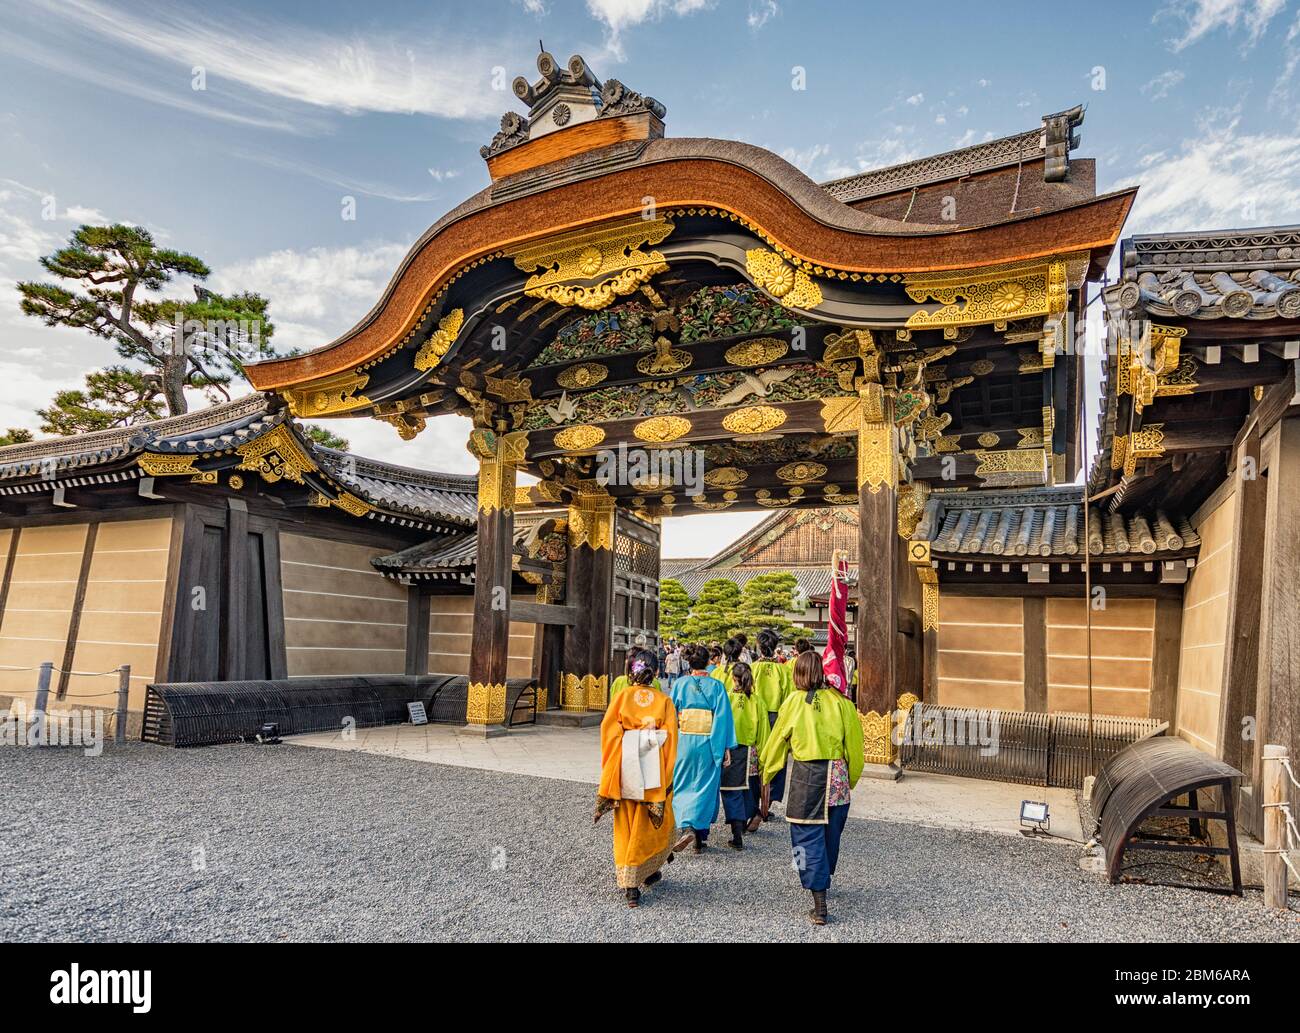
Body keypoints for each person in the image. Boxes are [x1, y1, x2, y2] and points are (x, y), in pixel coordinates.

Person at [759, 650, 865, 926]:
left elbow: (777, 740)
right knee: (832, 833)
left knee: (804, 835)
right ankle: (824, 878)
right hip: (837, 776)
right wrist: (851, 778)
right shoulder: (842, 703)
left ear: (798, 673)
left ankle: (818, 898)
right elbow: (855, 744)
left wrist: (767, 770)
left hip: (807, 775)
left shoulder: (794, 702)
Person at [596, 649, 679, 908]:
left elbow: (608, 733)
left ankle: (631, 882)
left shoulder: (622, 697)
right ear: (655, 672)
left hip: (625, 765)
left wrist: (625, 746)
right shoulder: (664, 701)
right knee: (650, 821)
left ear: (631, 671)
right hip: (652, 766)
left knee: (627, 823)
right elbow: (672, 740)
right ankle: (645, 871)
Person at [670, 643, 736, 854]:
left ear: (690, 663)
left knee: (682, 783)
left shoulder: (680, 684)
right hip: (709, 742)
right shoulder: (716, 686)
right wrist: (724, 747)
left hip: (685, 741)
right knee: (705, 786)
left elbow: (671, 714)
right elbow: (723, 718)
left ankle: (687, 828)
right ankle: (698, 833)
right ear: (708, 662)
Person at [721, 661, 768, 846]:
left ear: (733, 679)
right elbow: (764, 732)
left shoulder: (726, 698)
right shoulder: (757, 701)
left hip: (729, 750)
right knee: (749, 789)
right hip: (751, 750)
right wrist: (764, 757)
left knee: (730, 790)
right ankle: (751, 814)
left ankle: (736, 827)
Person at [751, 629, 792, 821]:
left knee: (755, 757)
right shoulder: (784, 670)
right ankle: (769, 802)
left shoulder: (752, 668)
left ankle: (754, 799)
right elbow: (790, 699)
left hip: (754, 716)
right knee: (776, 757)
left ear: (759, 646)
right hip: (777, 717)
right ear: (775, 647)